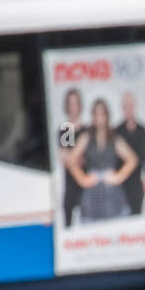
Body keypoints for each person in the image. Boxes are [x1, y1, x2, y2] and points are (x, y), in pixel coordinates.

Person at [66, 98, 139, 223]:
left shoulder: (114, 137)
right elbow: (70, 159)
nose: (99, 118)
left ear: (107, 116)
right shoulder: (78, 132)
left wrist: (119, 176)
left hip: (111, 190)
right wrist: (82, 178)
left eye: (102, 114)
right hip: (92, 192)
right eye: (96, 114)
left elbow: (132, 159)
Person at [116, 90, 145, 215]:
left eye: (130, 105)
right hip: (123, 179)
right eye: (126, 106)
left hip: (136, 179)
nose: (128, 109)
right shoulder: (66, 125)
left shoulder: (141, 129)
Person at [57, 88, 87, 228]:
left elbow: (90, 157)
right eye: (71, 103)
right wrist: (76, 158)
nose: (73, 107)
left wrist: (75, 157)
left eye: (76, 103)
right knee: (69, 219)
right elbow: (66, 159)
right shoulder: (67, 128)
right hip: (71, 182)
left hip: (87, 182)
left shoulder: (87, 130)